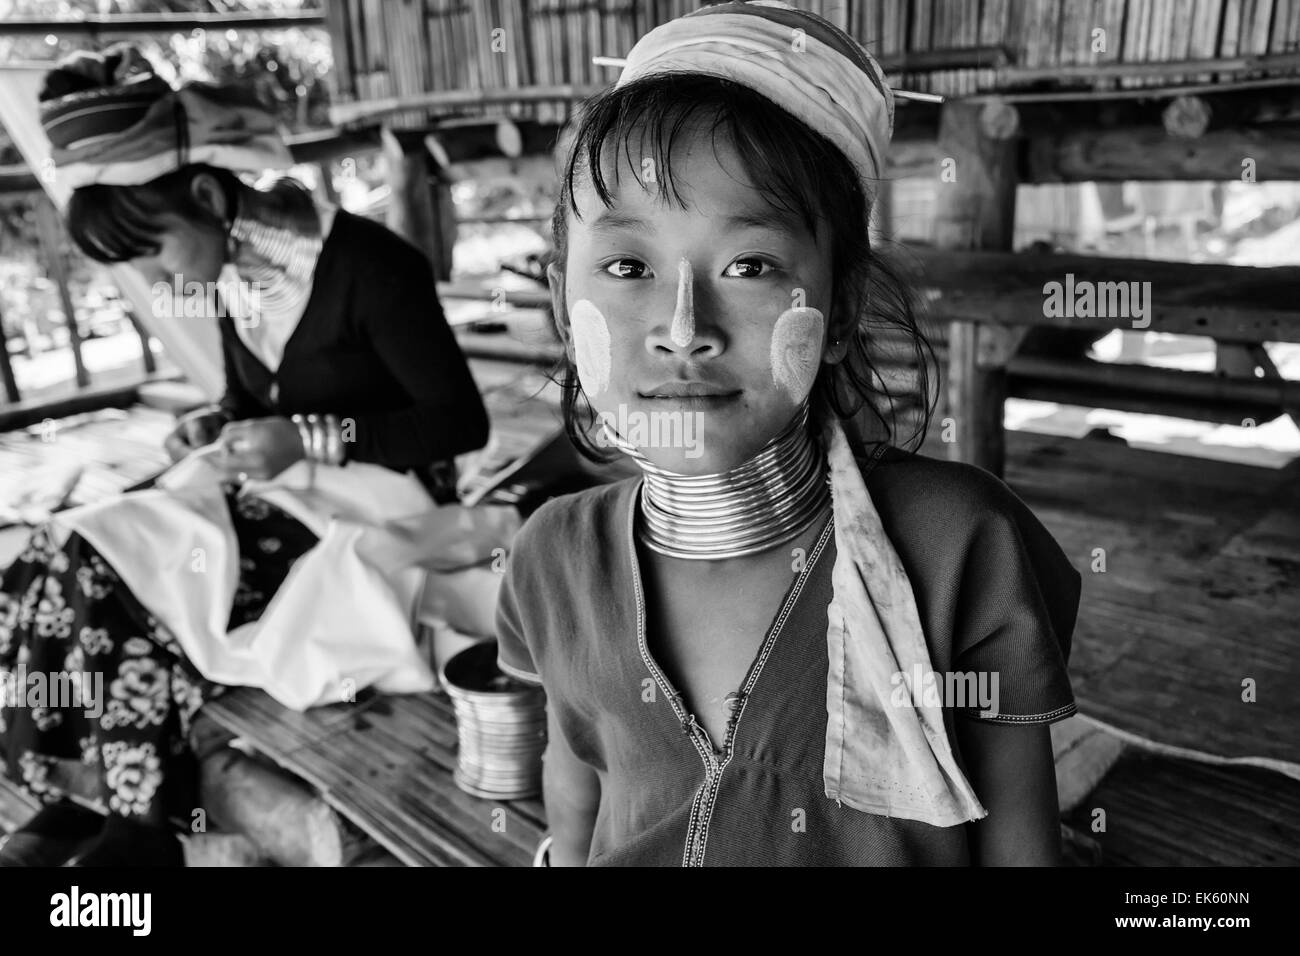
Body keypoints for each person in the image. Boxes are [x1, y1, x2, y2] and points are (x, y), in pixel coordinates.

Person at [495, 1, 1081, 867]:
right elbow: (578, 788)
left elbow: (1020, 848)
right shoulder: (551, 558)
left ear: (839, 309)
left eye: (751, 265)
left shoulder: (960, 544)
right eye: (627, 267)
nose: (683, 327)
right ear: (560, 303)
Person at [0, 46, 489, 865]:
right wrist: (211, 423)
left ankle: (135, 825)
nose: (157, 280)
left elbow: (460, 424)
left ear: (203, 195)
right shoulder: (234, 272)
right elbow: (251, 403)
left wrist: (308, 438)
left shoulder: (373, 267)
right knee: (51, 550)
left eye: (153, 251)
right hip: (287, 487)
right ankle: (78, 790)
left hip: (382, 498)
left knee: (105, 555)